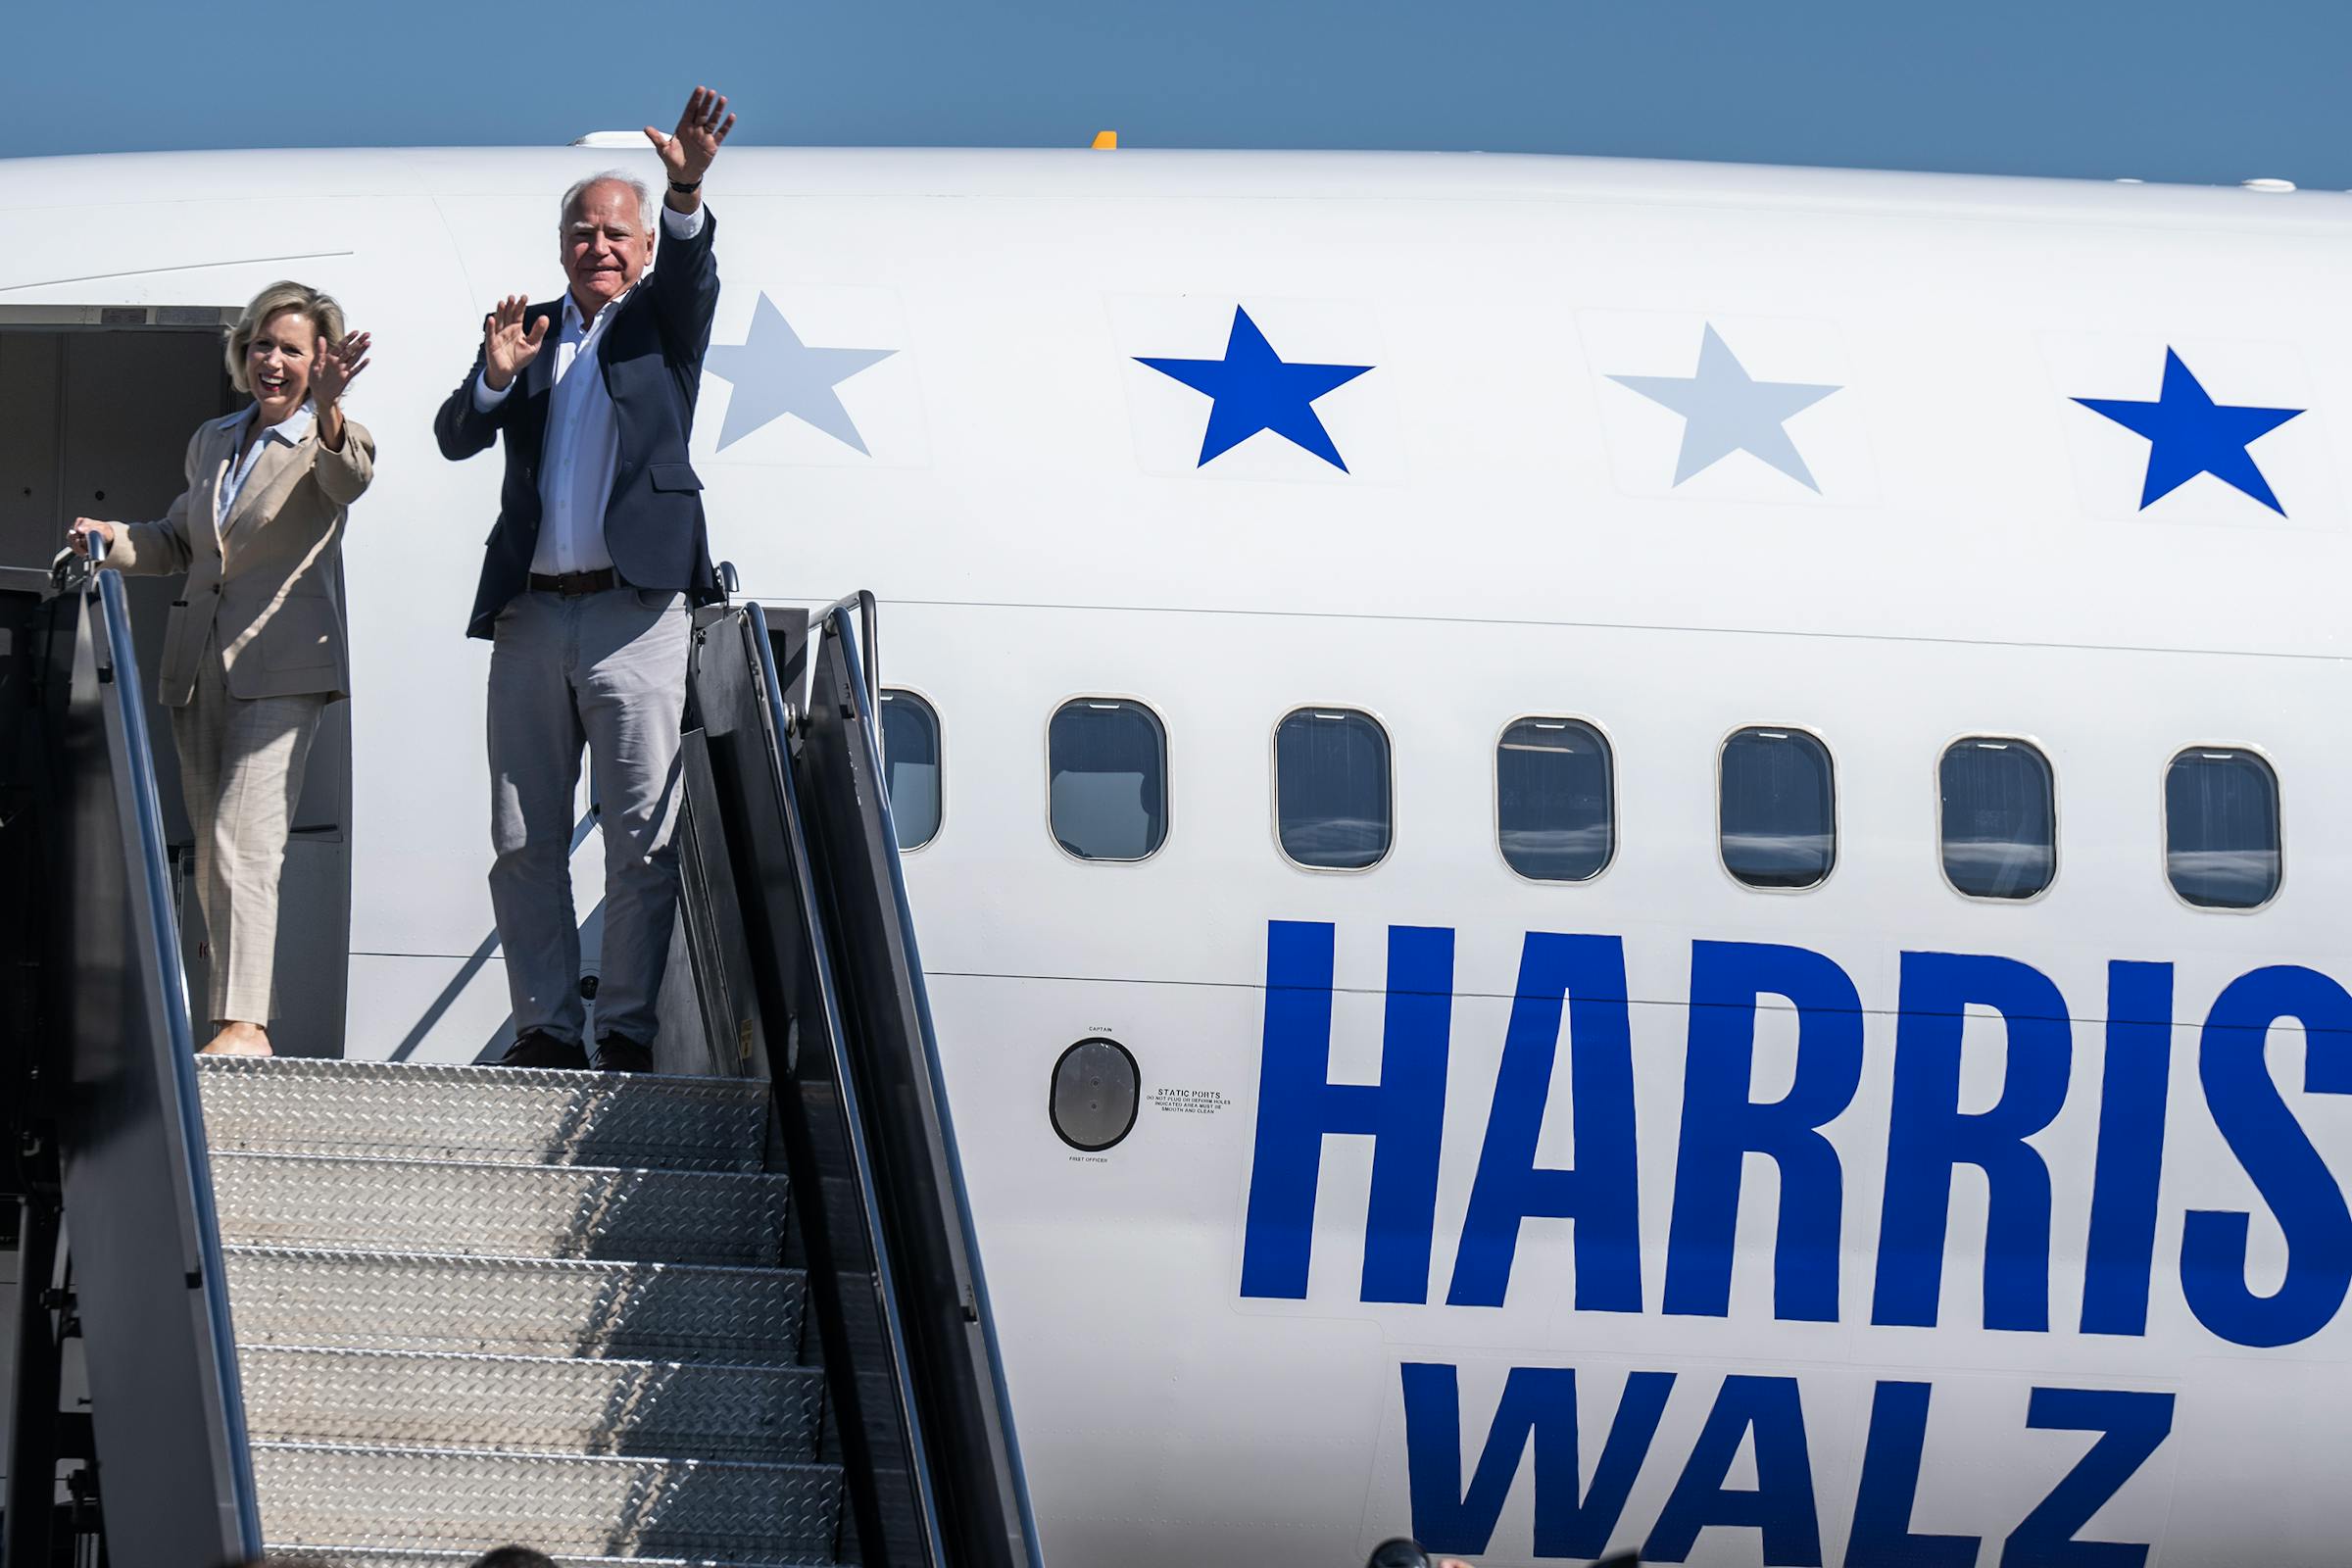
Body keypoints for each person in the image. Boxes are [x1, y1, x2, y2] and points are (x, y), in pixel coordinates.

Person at [434, 86, 735, 1073]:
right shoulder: (525, 334)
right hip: (532, 615)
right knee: (523, 837)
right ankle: (550, 1027)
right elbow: (454, 436)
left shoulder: (662, 326)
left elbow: (693, 270)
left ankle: (628, 1029)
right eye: (582, 230)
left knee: (640, 841)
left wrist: (683, 185)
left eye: (618, 231)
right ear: (562, 244)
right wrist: (490, 374)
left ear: (643, 247)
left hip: (634, 611)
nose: (599, 244)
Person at [71, 282, 373, 1057]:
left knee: (246, 837)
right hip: (199, 662)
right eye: (264, 345)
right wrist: (113, 535)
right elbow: (180, 540)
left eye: (294, 350)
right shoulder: (215, 439)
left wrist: (332, 411)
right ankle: (227, 1022)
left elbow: (350, 481)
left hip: (283, 667)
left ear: (321, 363)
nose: (274, 362)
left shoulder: (330, 436)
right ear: (245, 352)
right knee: (213, 851)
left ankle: (247, 1026)